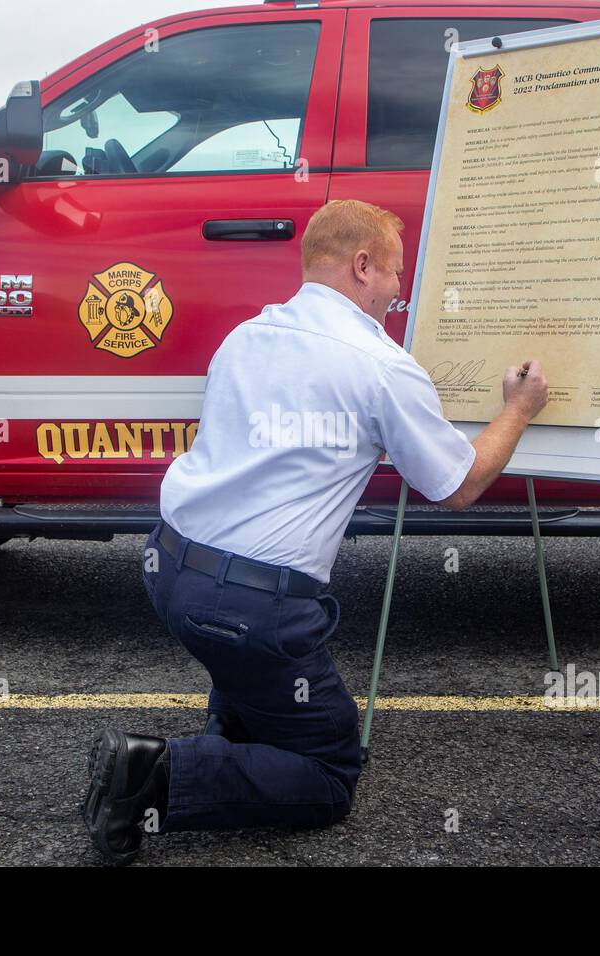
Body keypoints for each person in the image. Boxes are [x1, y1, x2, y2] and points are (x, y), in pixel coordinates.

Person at [81, 198, 549, 864]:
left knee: (252, 669)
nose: (398, 291)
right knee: (330, 773)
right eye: (393, 273)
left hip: (169, 568)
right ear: (363, 265)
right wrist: (519, 409)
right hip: (250, 609)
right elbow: (460, 483)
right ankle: (152, 775)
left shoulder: (246, 337)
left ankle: (233, 727)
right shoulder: (380, 364)